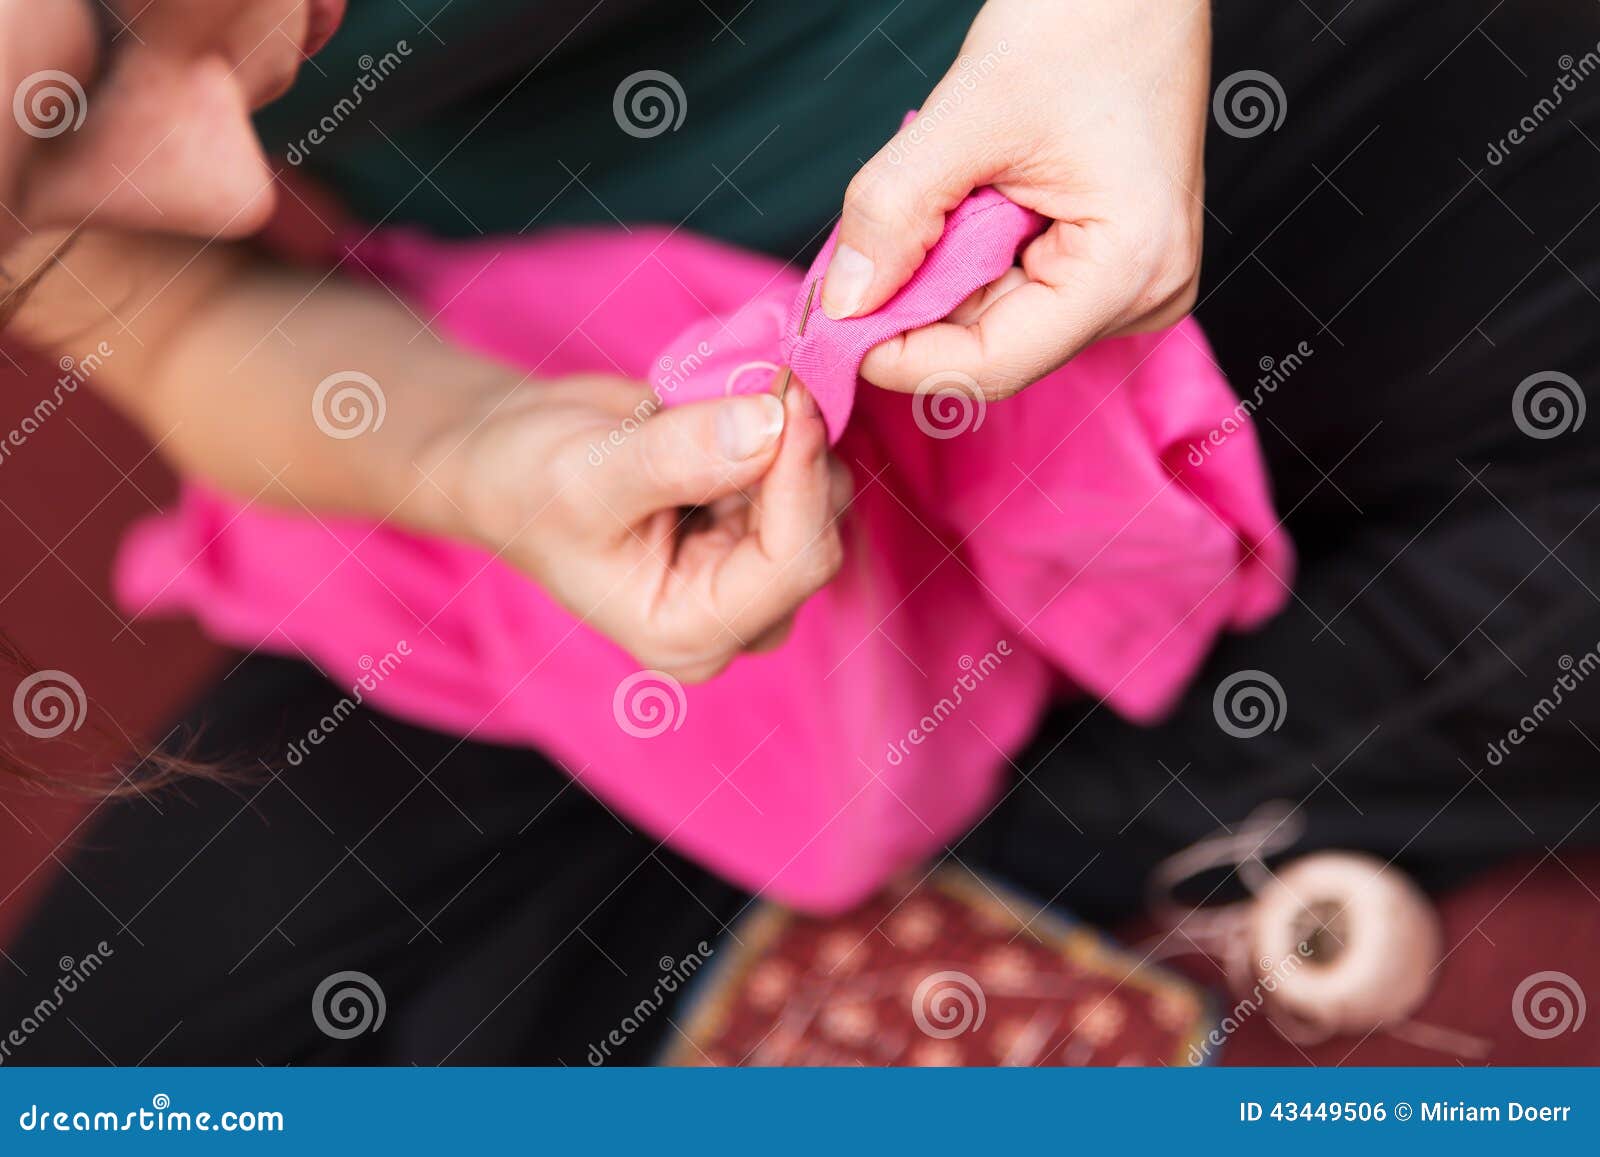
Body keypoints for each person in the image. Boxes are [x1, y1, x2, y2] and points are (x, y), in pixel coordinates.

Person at [2, 0, 1598, 1064]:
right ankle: (1114, 789)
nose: (217, 175)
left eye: (109, 34)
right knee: (136, 1063)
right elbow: (166, 310)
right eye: (33, 165)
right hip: (608, 355)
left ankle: (1043, 807)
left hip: (1235, 68)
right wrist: (485, 457)